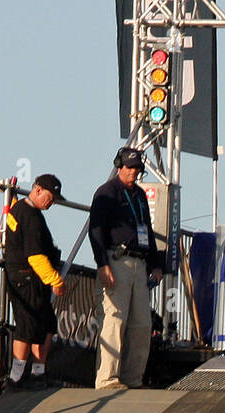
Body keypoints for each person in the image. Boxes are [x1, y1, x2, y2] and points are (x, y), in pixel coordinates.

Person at [88, 146, 164, 391]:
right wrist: (102, 264)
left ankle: (133, 378)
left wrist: (156, 264)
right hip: (117, 259)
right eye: (129, 167)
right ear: (119, 166)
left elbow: (148, 232)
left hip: (139, 263)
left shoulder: (140, 196)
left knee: (142, 323)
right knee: (114, 319)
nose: (133, 172)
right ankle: (107, 378)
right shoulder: (107, 192)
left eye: (137, 168)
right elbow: (96, 230)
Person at [3, 173, 67, 389]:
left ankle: (38, 373)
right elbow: (35, 255)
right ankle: (16, 378)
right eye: (50, 197)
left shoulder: (24, 210)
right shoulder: (29, 215)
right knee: (27, 325)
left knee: (47, 323)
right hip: (26, 277)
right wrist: (55, 280)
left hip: (30, 277)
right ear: (38, 190)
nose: (52, 202)